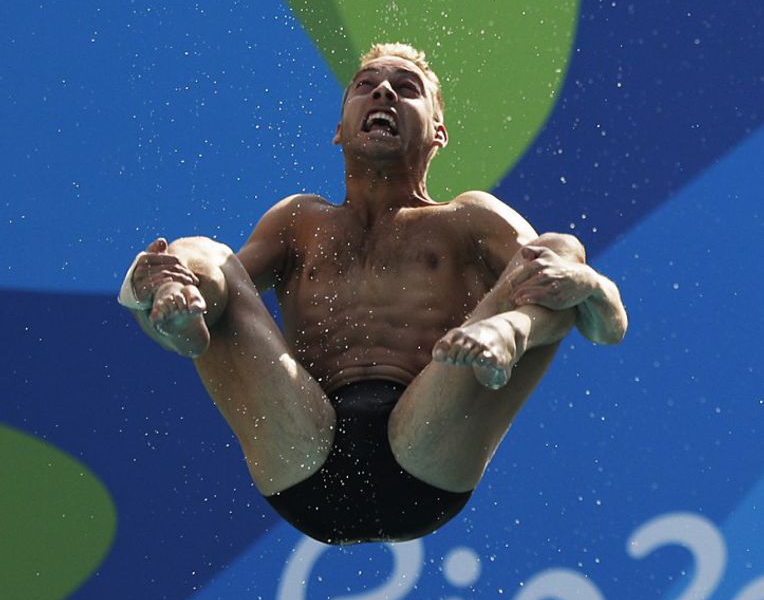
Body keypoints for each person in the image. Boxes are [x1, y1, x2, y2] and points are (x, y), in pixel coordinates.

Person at [118, 43, 627, 545]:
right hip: (301, 448)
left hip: (428, 451)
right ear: (340, 131)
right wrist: (168, 280)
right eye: (365, 86)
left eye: (406, 89)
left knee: (555, 252)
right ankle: (169, 312)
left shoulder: (468, 219)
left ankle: (510, 330)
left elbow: (608, 327)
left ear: (438, 133)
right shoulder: (300, 222)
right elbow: (223, 287)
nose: (383, 91)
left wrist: (590, 286)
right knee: (199, 254)